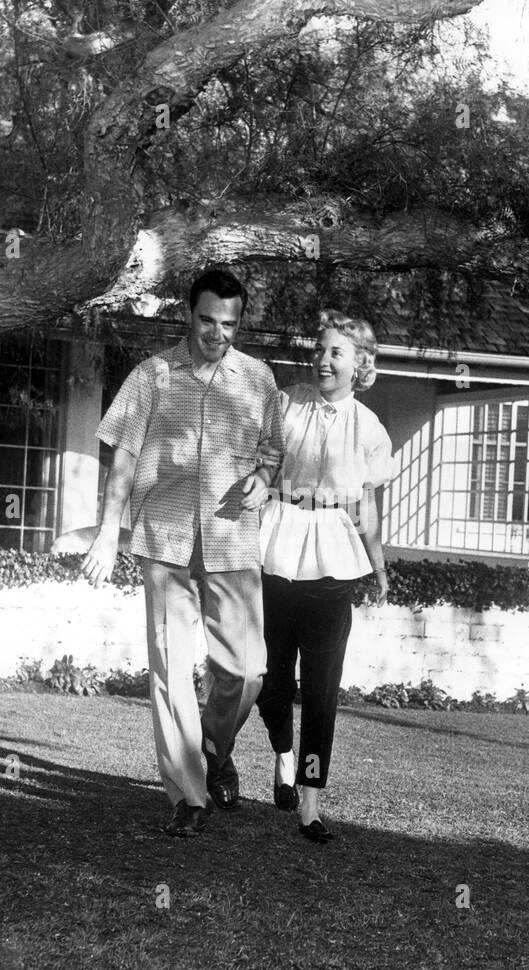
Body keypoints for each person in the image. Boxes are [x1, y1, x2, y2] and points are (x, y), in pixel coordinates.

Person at [83, 269, 284, 837]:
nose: (217, 333)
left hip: (233, 537)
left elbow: (274, 448)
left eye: (229, 323)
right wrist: (107, 531)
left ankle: (216, 751)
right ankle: (188, 796)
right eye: (206, 320)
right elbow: (122, 459)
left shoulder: (260, 380)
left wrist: (265, 479)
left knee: (247, 671)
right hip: (164, 537)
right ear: (185, 313)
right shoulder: (152, 376)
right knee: (171, 669)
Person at [241, 310, 393, 843]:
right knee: (272, 677)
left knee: (322, 690)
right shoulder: (285, 403)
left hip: (333, 559)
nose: (323, 360)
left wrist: (378, 565)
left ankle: (310, 801)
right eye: (321, 349)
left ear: (360, 365)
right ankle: (283, 754)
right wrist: (256, 493)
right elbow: (264, 467)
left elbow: (367, 509)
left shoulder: (370, 430)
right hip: (277, 546)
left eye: (336, 353)